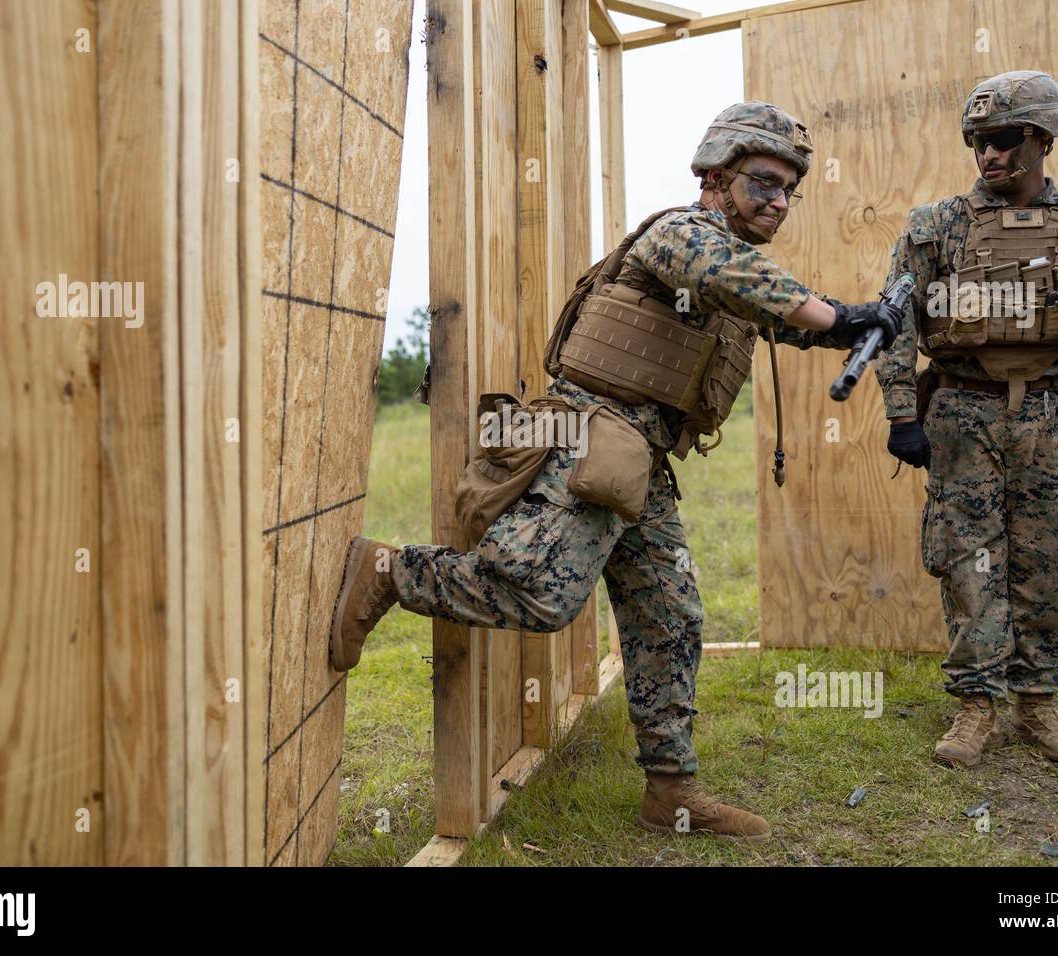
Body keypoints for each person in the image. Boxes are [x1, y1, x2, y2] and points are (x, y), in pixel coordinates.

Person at [332, 101, 900, 838]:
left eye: (790, 190)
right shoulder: (684, 236)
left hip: (641, 461)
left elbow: (785, 318)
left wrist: (875, 321)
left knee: (671, 617)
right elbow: (756, 287)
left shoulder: (734, 275)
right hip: (587, 437)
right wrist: (843, 315)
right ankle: (390, 572)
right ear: (715, 176)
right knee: (542, 597)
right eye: (764, 182)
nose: (779, 202)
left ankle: (671, 792)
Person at [875, 71, 1058, 769]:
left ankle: (1037, 701)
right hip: (962, 410)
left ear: (1042, 138)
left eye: (1002, 141)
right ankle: (975, 703)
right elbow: (893, 321)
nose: (988, 156)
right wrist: (903, 412)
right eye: (979, 143)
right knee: (967, 556)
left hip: (1055, 410)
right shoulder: (935, 226)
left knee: (1045, 557)